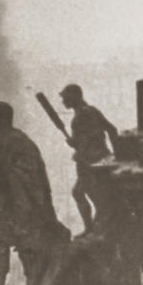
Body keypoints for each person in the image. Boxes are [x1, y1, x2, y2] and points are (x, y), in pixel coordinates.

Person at [0, 101, 70, 285]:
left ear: (2, 118)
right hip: (5, 204)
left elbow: (26, 173)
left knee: (26, 247)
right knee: (1, 247)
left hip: (21, 205)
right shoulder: (5, 141)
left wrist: (1, 185)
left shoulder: (18, 141)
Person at [59, 84, 119, 236]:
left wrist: (76, 145)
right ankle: (93, 228)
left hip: (89, 163)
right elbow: (111, 130)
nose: (63, 101)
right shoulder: (91, 111)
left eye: (65, 97)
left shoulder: (83, 115)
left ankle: (95, 229)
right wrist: (117, 154)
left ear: (74, 96)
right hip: (98, 160)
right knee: (84, 194)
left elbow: (89, 139)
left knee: (91, 196)